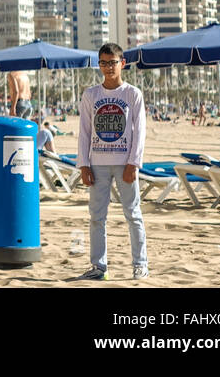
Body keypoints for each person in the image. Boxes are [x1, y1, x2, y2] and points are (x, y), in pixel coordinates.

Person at [77, 43, 148, 281]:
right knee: (97, 217)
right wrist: (84, 165)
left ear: (122, 64)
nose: (108, 67)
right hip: (97, 164)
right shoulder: (91, 95)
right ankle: (99, 267)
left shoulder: (132, 94)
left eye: (113, 62)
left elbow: (140, 132)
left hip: (124, 164)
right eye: (104, 63)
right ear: (99, 65)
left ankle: (140, 265)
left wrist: (133, 163)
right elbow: (85, 131)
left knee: (133, 214)